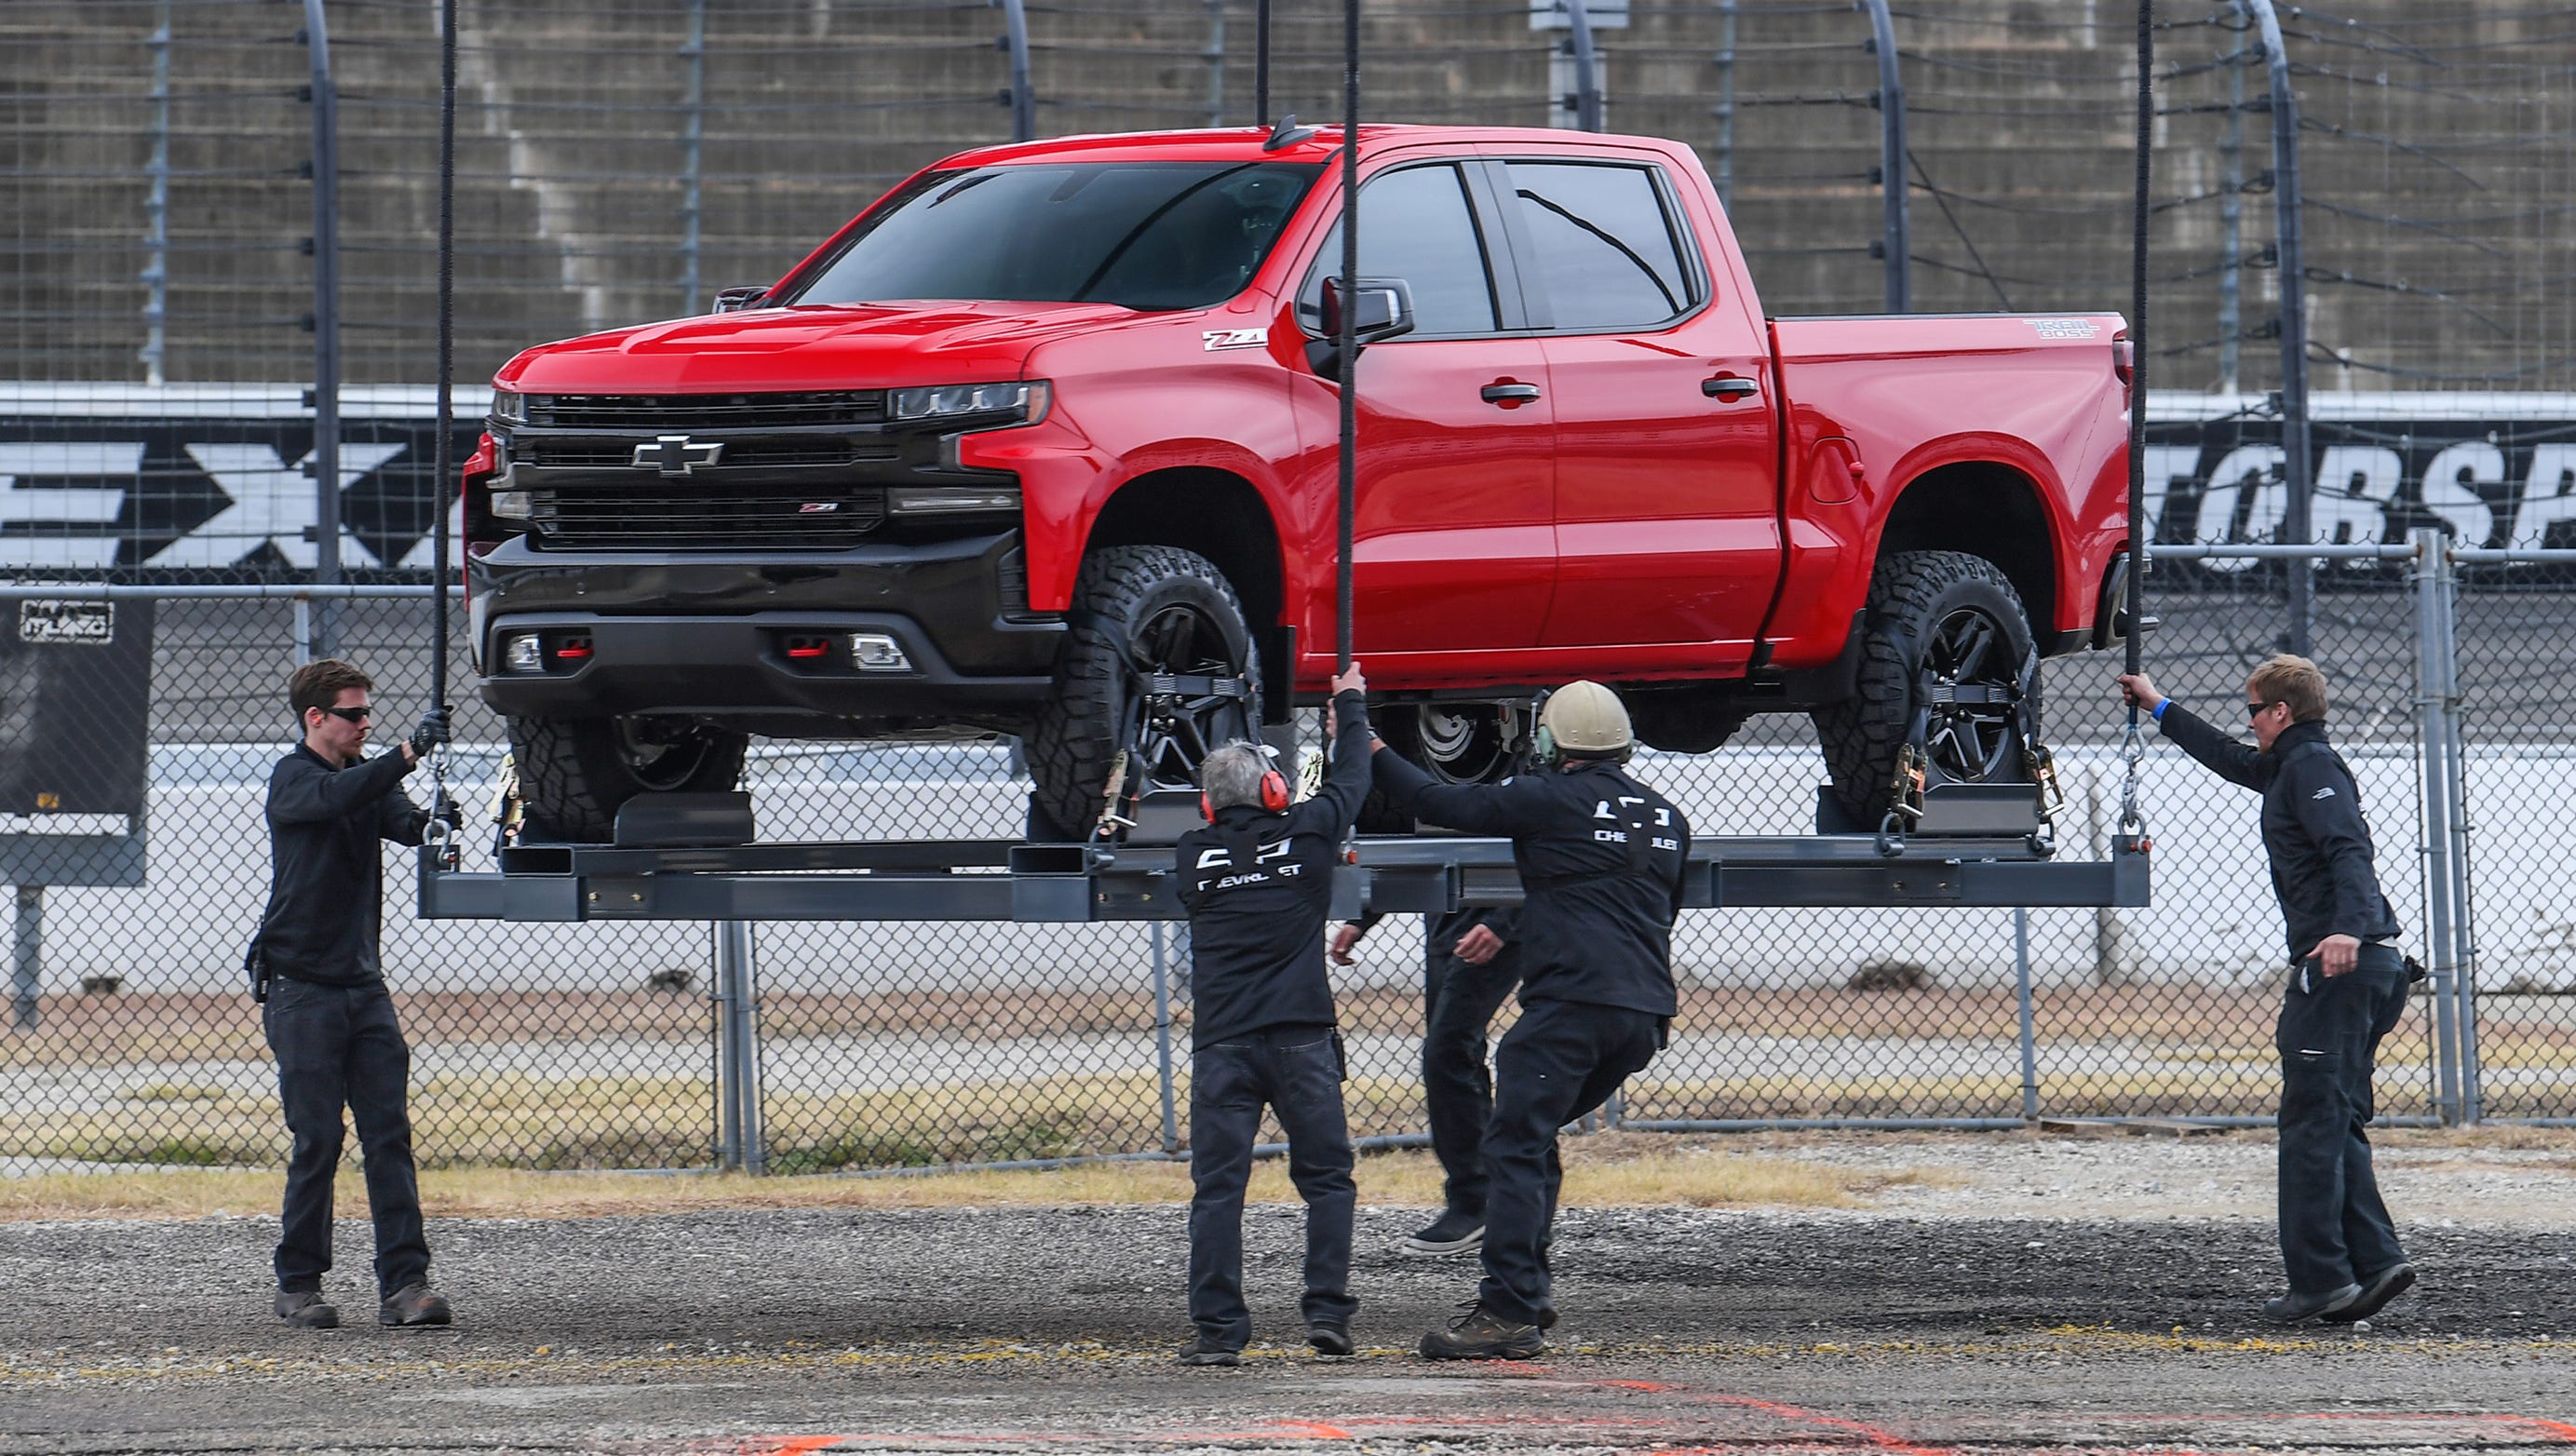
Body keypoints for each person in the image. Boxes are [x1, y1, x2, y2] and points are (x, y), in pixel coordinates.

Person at [1369, 681, 1688, 1359]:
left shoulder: (1547, 796)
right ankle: (1527, 1296)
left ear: (1550, 741)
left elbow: (1435, 801)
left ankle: (1507, 1309)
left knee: (1511, 1145)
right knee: (1531, 1138)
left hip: (1568, 1009)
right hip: (1642, 1015)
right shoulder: (1667, 817)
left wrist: (1365, 745)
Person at [2118, 656, 2417, 1327]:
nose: (2247, 720)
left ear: (2280, 713)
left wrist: (2344, 929)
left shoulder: (2311, 769)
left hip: (2342, 965)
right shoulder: (2287, 765)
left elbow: (2349, 849)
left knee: (2309, 1124)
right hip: (2366, 966)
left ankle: (2320, 1282)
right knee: (2332, 1118)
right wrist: (2158, 706)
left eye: (2253, 709)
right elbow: (2228, 758)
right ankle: (2374, 1263)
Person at [1170, 661, 1373, 1367]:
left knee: (1217, 1190)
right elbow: (1353, 781)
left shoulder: (1193, 855)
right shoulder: (1310, 834)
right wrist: (1348, 707)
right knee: (1326, 1180)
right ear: (1276, 790)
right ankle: (1328, 1317)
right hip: (1301, 1041)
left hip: (1222, 1044)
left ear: (1207, 807)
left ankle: (1218, 1335)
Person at [248, 659, 455, 1330]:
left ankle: (404, 1286)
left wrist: (440, 821)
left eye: (369, 713)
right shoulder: (293, 778)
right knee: (317, 1138)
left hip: (363, 988)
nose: (365, 723)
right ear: (316, 719)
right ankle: (298, 1285)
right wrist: (406, 754)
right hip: (301, 989)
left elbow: (402, 820)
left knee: (388, 1135)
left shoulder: (367, 780)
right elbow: (337, 798)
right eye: (353, 713)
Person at [1329, 903, 1522, 1257]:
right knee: (1455, 1055)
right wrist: (1363, 918)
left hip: (1502, 923)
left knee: (1447, 1053)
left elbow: (1546, 851)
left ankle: (1478, 1200)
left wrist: (1505, 920)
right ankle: (1490, 1201)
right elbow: (1404, 851)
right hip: (1450, 924)